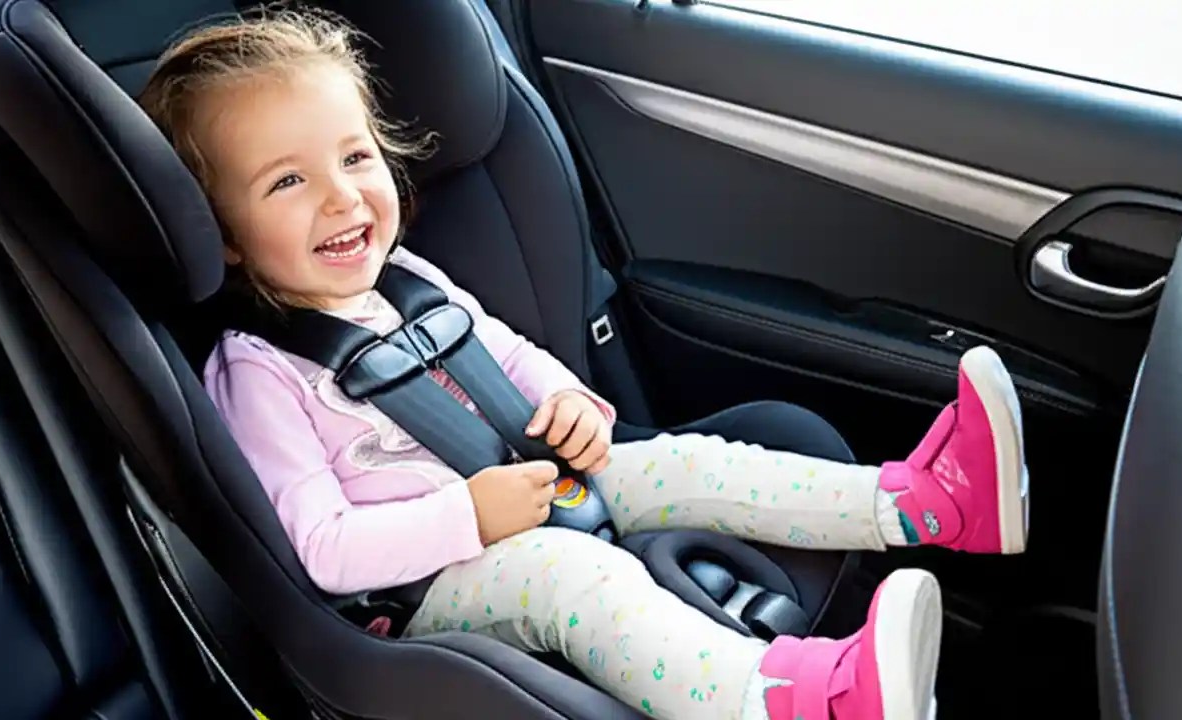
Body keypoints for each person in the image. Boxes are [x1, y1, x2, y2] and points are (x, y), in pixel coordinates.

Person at [138, 9, 1029, 720]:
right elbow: (321, 551)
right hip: (426, 592)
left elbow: (508, 355)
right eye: (287, 182)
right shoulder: (258, 373)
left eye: (355, 156)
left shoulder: (406, 278)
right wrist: (467, 516)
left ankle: (927, 504)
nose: (341, 194)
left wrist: (565, 400)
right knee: (578, 579)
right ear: (222, 234)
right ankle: (797, 699)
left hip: (527, 484)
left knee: (684, 460)